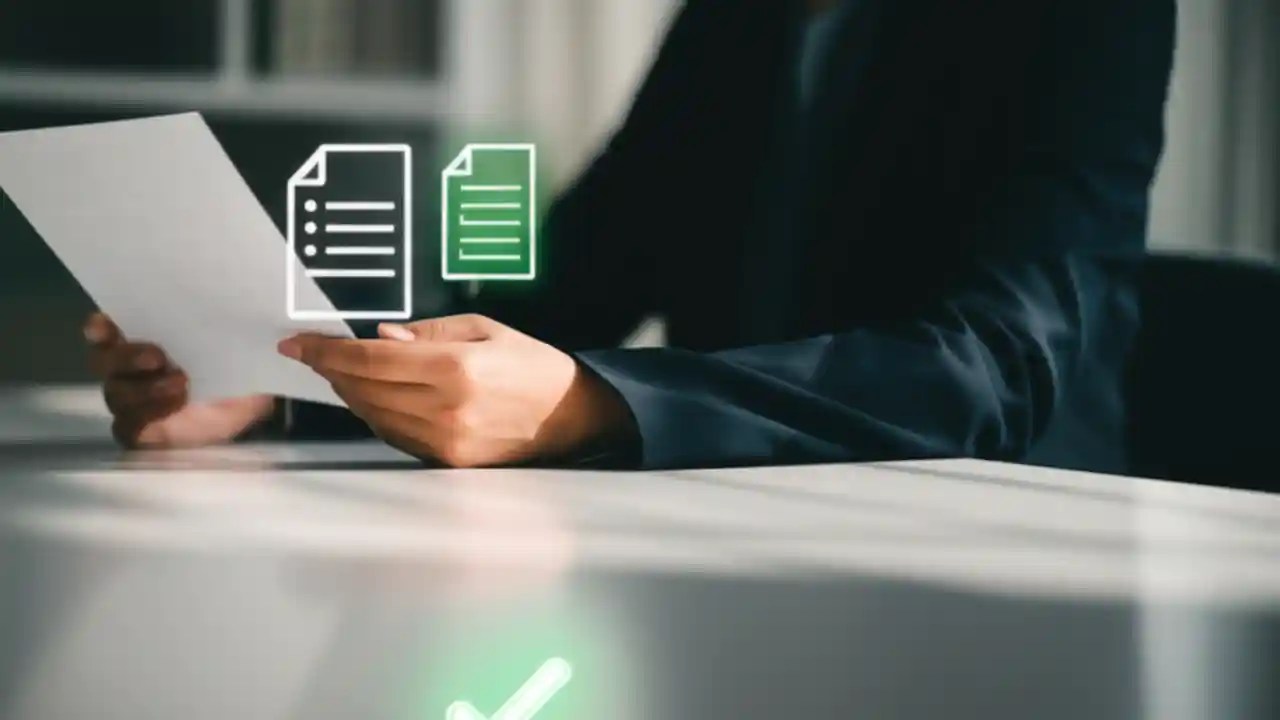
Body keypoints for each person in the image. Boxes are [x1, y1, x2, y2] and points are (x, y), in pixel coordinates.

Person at [85, 0, 1176, 471]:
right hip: (731, 525)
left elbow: (994, 367)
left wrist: (587, 404)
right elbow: (570, 287)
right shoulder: (735, 19)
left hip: (978, 548)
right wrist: (279, 387)